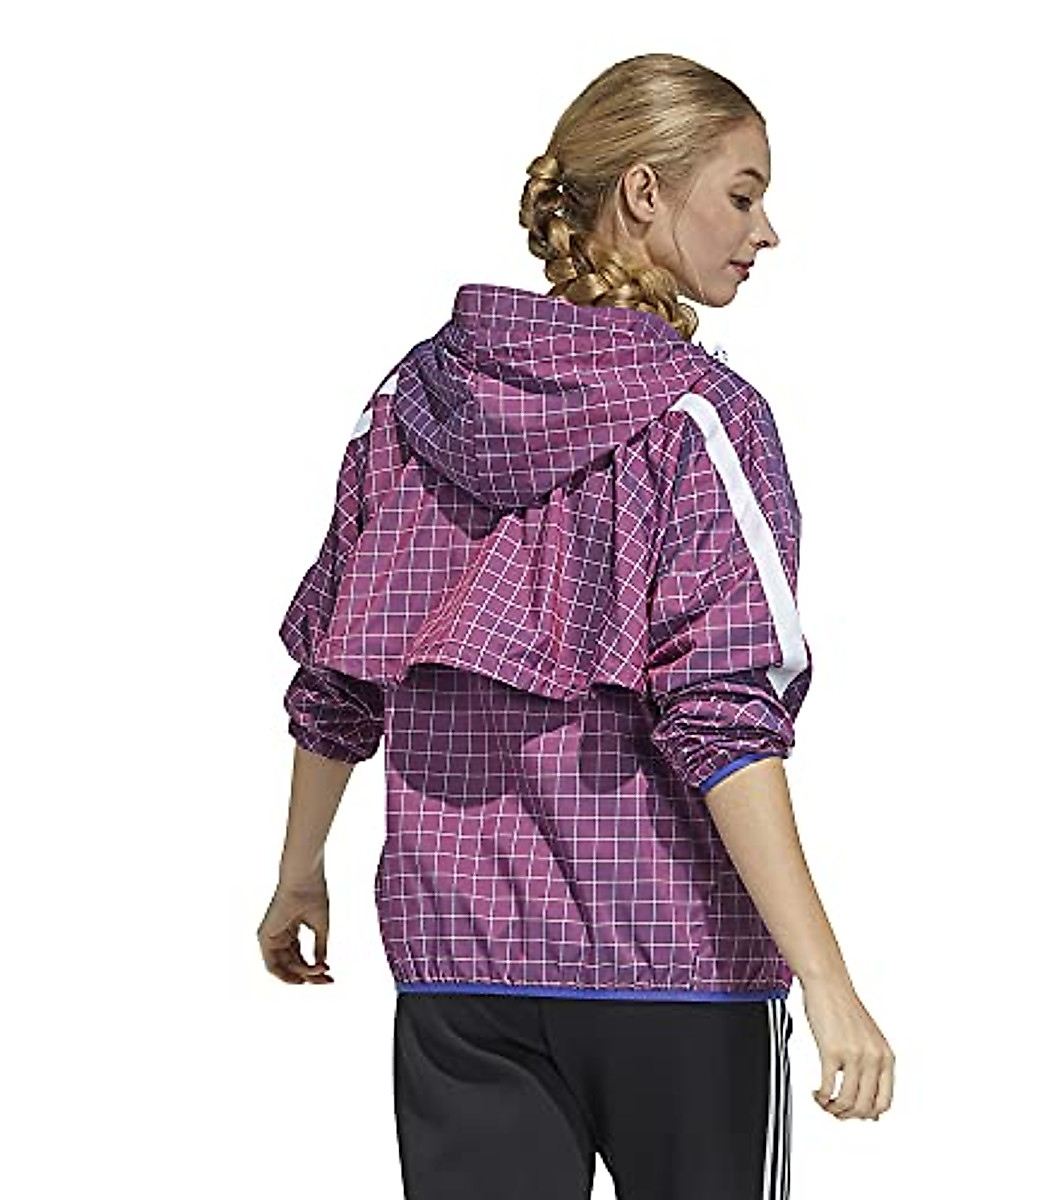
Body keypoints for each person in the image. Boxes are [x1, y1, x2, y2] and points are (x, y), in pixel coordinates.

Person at [258, 51, 894, 1200]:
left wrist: (299, 874)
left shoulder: (410, 404)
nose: (766, 231)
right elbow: (723, 714)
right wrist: (828, 977)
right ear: (644, 191)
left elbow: (337, 675)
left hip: (461, 973)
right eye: (742, 193)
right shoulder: (702, 421)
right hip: (678, 973)